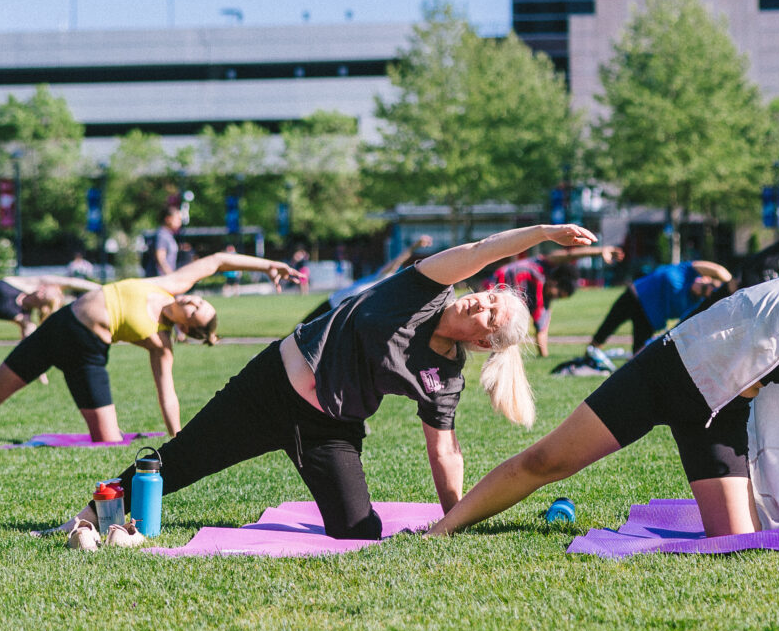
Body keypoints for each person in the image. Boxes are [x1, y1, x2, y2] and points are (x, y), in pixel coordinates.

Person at [428, 145, 779, 541]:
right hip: (670, 370)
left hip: (717, 415)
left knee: (735, 545)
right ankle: (442, 530)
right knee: (549, 461)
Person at [57, 222, 592, 543]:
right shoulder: (424, 288)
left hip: (329, 430)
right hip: (269, 389)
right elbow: (480, 252)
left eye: (490, 318)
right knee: (186, 459)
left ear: (483, 344)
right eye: (490, 298)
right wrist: (543, 234)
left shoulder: (444, 377)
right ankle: (92, 512)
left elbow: (444, 452)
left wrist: (452, 522)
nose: (481, 303)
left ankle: (108, 516)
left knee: (357, 531)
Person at [0, 250, 298, 444]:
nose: (194, 303)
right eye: (199, 301)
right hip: (58, 328)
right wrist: (268, 266)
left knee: (106, 441)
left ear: (186, 327)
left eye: (196, 313)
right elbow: (216, 262)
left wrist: (178, 438)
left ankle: (129, 437)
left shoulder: (159, 341)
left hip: (88, 355)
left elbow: (167, 393)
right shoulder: (169, 284)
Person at [585, 258, 734, 364]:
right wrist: (732, 286)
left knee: (638, 357)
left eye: (703, 292)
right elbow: (719, 270)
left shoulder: (693, 304)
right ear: (705, 278)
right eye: (704, 285)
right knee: (604, 330)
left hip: (649, 318)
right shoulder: (689, 271)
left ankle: (608, 368)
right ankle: (587, 360)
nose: (700, 288)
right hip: (635, 296)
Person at [489, 243, 621, 358]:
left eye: (559, 298)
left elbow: (541, 332)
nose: (554, 297)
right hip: (491, 287)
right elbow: (570, 254)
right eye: (557, 293)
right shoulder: (542, 267)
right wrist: (599, 251)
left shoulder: (542, 303)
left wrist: (544, 356)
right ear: (554, 281)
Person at [298, 235, 436, 326]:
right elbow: (397, 260)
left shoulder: (392, 294)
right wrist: (415, 246)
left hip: (341, 314)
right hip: (332, 303)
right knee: (300, 331)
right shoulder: (385, 277)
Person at [143, 201, 183, 278]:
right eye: (177, 219)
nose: (180, 222)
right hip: (159, 279)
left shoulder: (168, 235)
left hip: (164, 278)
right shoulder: (161, 235)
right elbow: (160, 259)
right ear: (168, 219)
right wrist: (171, 276)